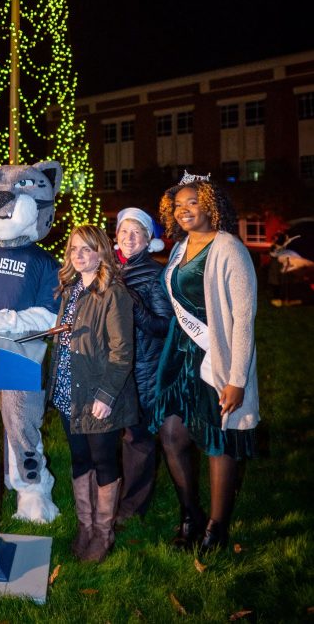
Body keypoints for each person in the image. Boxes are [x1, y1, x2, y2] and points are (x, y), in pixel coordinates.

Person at [150, 171, 259, 554]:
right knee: (171, 433)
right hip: (178, 352)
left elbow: (244, 318)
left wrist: (237, 378)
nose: (184, 210)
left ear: (210, 204)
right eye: (178, 205)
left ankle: (217, 526)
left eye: (192, 202)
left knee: (217, 438)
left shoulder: (229, 248)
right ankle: (189, 513)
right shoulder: (180, 247)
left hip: (216, 355)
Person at [47, 225, 137, 562]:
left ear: (101, 252)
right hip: (71, 391)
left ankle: (103, 533)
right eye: (74, 249)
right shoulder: (71, 291)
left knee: (103, 461)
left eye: (87, 248)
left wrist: (106, 395)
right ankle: (84, 527)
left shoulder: (114, 293)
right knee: (79, 459)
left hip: (99, 394)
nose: (79, 255)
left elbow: (122, 351)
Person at [113, 207, 172, 525]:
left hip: (144, 368)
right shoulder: (114, 271)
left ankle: (131, 507)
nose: (129, 238)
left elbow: (165, 326)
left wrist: (136, 310)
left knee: (138, 437)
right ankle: (114, 495)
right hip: (119, 366)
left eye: (137, 233)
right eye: (124, 232)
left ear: (149, 240)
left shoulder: (153, 274)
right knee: (121, 434)